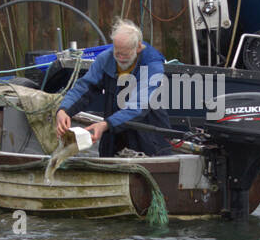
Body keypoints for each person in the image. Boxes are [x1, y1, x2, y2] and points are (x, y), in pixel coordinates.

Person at [54, 19, 173, 157]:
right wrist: (64, 110)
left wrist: (106, 125)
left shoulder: (152, 65)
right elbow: (85, 87)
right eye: (117, 53)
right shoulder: (106, 58)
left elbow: (138, 106)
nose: (120, 58)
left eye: (125, 55)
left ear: (138, 48)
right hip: (113, 141)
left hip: (150, 143)